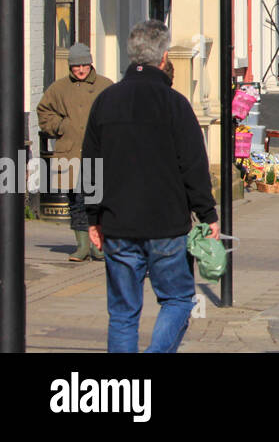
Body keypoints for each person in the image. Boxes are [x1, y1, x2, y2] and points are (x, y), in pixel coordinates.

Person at [82, 20, 218, 353]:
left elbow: (90, 166)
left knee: (123, 314)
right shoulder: (175, 105)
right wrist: (207, 213)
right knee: (177, 299)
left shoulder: (105, 101)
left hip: (117, 224)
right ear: (164, 58)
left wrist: (92, 217)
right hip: (166, 225)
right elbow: (194, 165)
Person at [37, 42, 113, 262]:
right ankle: (81, 246)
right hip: (70, 153)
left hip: (99, 154)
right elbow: (44, 111)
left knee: (97, 199)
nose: (80, 70)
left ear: (91, 63)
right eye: (76, 66)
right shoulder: (59, 88)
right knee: (77, 201)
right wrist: (60, 126)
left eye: (84, 65)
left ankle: (98, 245)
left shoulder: (105, 86)